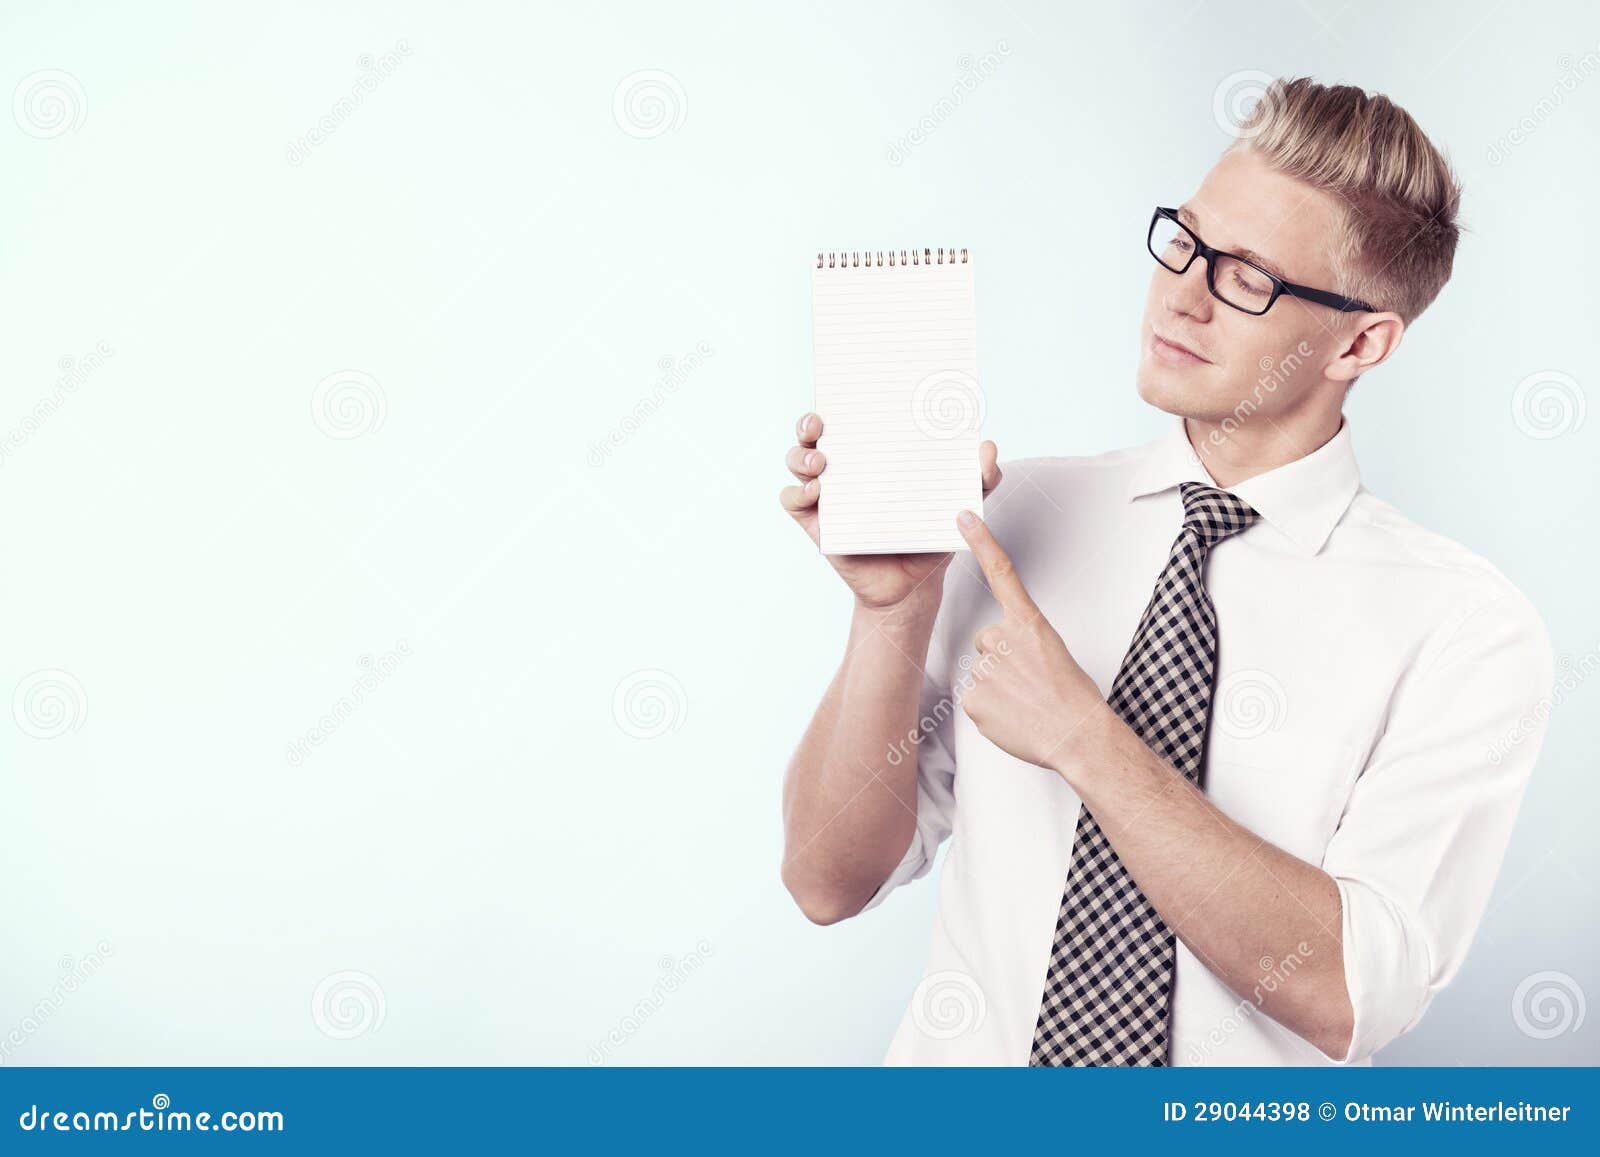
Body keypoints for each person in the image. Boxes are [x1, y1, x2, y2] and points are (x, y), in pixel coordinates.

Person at [776, 77, 1553, 1066]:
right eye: (1184, 243)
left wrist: (1087, 741)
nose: (1180, 295)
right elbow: (824, 881)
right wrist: (894, 607)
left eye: (1247, 278)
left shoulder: (1463, 626)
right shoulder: (1007, 518)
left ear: (1361, 341)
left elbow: (1350, 992)